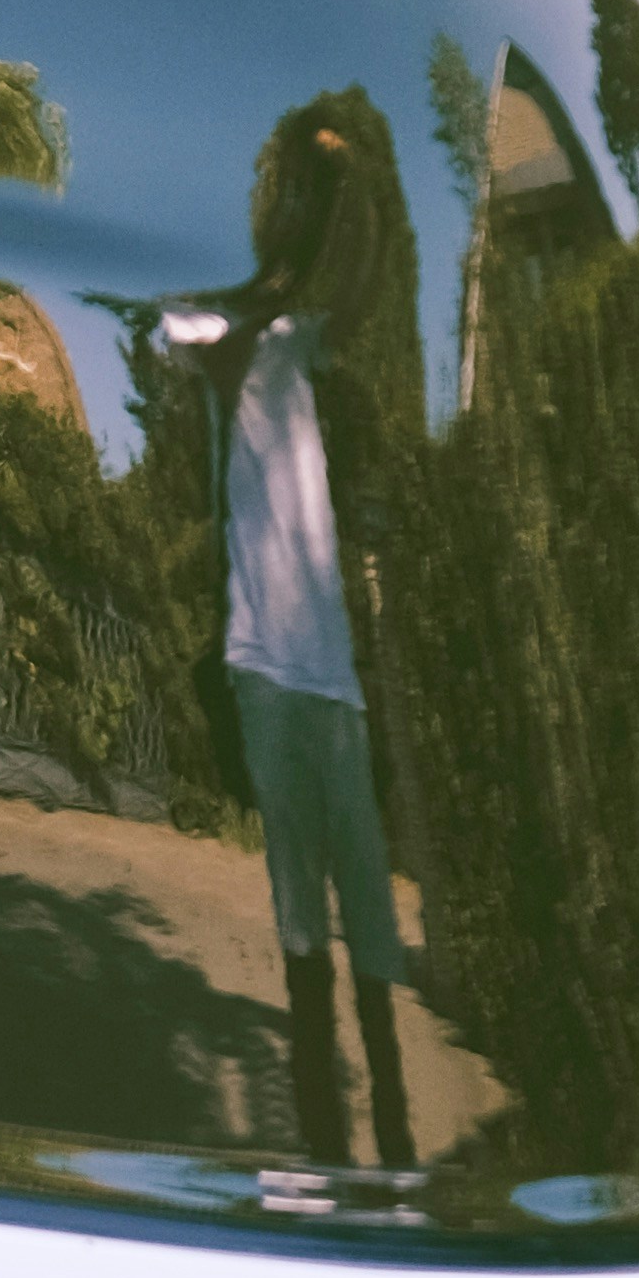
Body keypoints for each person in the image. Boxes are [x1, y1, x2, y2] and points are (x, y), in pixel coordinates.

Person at [157, 97, 419, 1167]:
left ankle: (395, 1123)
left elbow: (355, 291)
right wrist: (258, 291)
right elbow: (172, 331)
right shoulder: (223, 334)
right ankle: (320, 1131)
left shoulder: (308, 343)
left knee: (367, 908)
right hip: (264, 662)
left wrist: (347, 183)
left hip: (335, 679)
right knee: (294, 902)